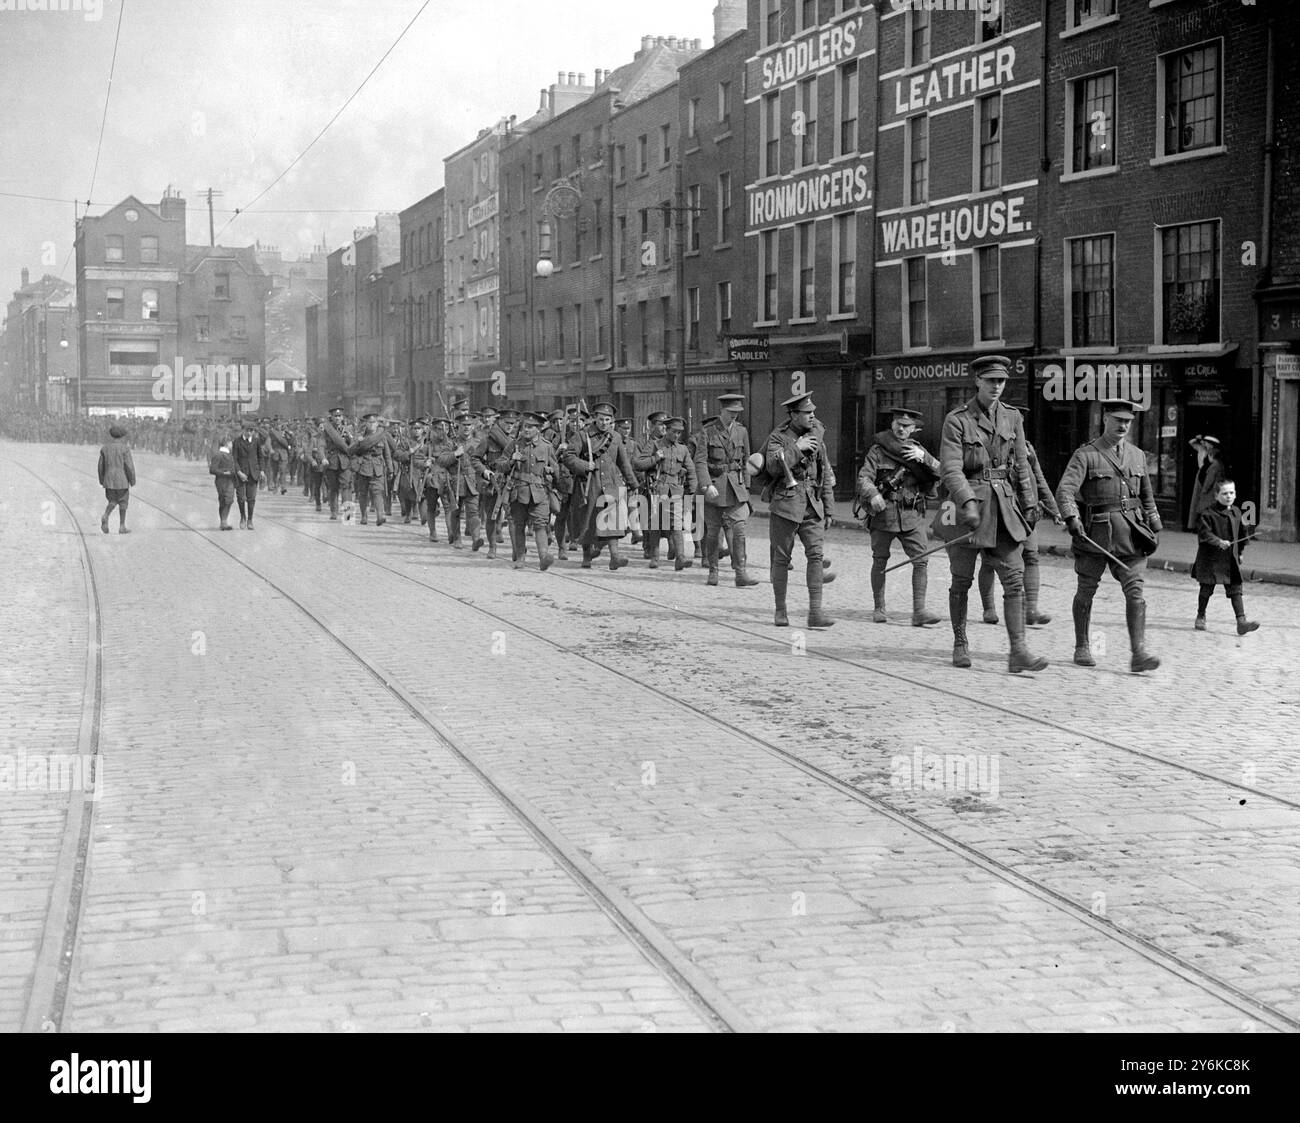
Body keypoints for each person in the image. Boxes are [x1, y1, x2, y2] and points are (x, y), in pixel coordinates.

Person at [940, 355, 1046, 673]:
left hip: (1004, 509)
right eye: (990, 381)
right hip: (968, 511)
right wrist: (967, 501)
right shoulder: (957, 419)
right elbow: (950, 468)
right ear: (977, 382)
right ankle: (960, 643)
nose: (996, 386)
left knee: (1014, 580)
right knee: (962, 581)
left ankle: (1019, 652)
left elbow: (1021, 464)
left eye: (1001, 381)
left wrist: (1028, 504)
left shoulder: (1012, 417)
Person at [1055, 398, 1163, 673]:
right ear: (1105, 419)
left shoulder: (1138, 455)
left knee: (1136, 591)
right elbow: (1065, 490)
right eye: (1118, 420)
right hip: (1095, 534)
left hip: (1132, 533)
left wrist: (1154, 524)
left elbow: (1147, 496)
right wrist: (1072, 518)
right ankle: (1082, 646)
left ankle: (1138, 653)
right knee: (1087, 590)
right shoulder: (1087, 454)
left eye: (1128, 421)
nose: (1123, 426)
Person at [856, 406, 941, 626]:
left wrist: (925, 458)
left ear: (914, 429)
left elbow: (942, 472)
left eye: (907, 426)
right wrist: (873, 494)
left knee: (921, 560)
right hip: (885, 514)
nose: (902, 429)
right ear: (892, 424)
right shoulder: (878, 450)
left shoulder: (919, 451)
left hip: (912, 515)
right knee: (880, 560)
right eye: (898, 425)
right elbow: (864, 478)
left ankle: (919, 611)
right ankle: (879, 608)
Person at [762, 392, 835, 628]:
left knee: (816, 555)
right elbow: (773, 467)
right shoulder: (778, 437)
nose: (813, 416)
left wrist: (829, 509)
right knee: (782, 559)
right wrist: (796, 447)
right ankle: (780, 611)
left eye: (813, 412)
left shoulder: (816, 437)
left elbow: (824, 474)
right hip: (786, 504)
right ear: (794, 415)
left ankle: (815, 613)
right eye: (807, 413)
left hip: (812, 505)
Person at [976, 433, 1062, 626]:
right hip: (999, 513)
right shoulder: (991, 447)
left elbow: (1039, 480)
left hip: (1025, 514)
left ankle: (1031, 609)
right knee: (989, 561)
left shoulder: (1028, 450)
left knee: (1031, 556)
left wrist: (1055, 510)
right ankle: (989, 609)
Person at [561, 402, 639, 570]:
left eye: (608, 419)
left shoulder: (616, 437)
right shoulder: (582, 436)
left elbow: (624, 463)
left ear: (612, 420)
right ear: (595, 418)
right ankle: (586, 555)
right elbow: (568, 457)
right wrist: (583, 465)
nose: (604, 423)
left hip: (611, 484)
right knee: (587, 520)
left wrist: (633, 483)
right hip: (589, 485)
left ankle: (614, 557)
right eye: (601, 419)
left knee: (614, 520)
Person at [695, 393, 758, 587]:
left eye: (737, 412)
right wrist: (706, 485)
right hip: (714, 486)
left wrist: (746, 487)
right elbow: (700, 460)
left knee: (739, 530)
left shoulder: (741, 431)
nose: (734, 416)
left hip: (736, 488)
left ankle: (741, 573)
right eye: (731, 412)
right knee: (713, 532)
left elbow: (747, 459)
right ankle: (713, 571)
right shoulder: (708, 431)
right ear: (722, 410)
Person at [1192, 478, 1259, 635]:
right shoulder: (1207, 514)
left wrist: (1240, 553)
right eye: (1224, 493)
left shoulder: (1236, 512)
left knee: (1236, 589)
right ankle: (1201, 615)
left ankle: (1241, 622)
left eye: (1231, 492)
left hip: (1230, 560)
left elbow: (1242, 534)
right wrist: (1218, 542)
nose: (1228, 496)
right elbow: (1204, 534)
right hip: (1211, 559)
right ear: (1216, 495)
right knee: (1206, 589)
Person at [497, 411, 558, 571]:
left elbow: (557, 468)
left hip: (540, 492)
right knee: (519, 525)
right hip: (519, 491)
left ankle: (543, 556)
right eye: (525, 426)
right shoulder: (514, 445)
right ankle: (520, 558)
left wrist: (551, 471)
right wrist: (511, 461)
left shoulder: (546, 446)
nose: (527, 430)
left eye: (531, 427)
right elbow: (500, 464)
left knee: (540, 524)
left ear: (538, 429)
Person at [644, 416, 697, 571]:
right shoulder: (654, 445)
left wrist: (693, 491)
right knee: (656, 523)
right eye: (674, 432)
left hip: (675, 490)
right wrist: (655, 458)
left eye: (680, 433)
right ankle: (654, 557)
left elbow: (691, 471)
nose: (677, 435)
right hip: (657, 488)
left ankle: (680, 558)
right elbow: (638, 464)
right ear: (666, 430)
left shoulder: (683, 449)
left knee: (677, 524)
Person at [438, 415, 485, 549]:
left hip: (472, 481)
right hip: (455, 481)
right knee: (455, 512)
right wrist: (455, 454)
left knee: (473, 511)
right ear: (458, 426)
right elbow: (441, 460)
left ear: (473, 427)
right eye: (464, 425)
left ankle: (476, 539)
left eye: (469, 425)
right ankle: (457, 538)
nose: (466, 428)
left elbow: (483, 460)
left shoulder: (478, 442)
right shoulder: (451, 443)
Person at [350, 414, 389, 526]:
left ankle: (380, 516)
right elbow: (351, 451)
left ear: (377, 424)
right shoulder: (361, 436)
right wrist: (358, 442)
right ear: (366, 424)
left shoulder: (382, 436)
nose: (372, 425)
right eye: (369, 422)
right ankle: (363, 516)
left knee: (377, 492)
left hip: (377, 468)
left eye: (374, 422)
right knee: (363, 493)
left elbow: (387, 454)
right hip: (363, 467)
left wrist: (390, 468)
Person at [97, 423, 136, 534]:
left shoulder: (105, 448)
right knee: (123, 501)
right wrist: (132, 479)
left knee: (112, 500)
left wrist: (102, 479)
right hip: (122, 479)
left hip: (108, 479)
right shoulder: (125, 449)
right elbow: (129, 466)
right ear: (122, 436)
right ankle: (122, 526)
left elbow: (100, 466)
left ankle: (106, 515)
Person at [232, 416, 266, 529]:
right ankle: (243, 517)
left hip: (253, 473)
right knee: (241, 498)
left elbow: (261, 457)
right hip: (241, 474)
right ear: (244, 430)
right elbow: (234, 459)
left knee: (251, 498)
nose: (250, 432)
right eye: (248, 430)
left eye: (252, 430)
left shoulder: (256, 441)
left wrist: (261, 470)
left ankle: (250, 520)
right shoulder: (237, 441)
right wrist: (239, 472)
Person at [1186, 435, 1226, 531]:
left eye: (1207, 442)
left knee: (1204, 506)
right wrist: (1199, 439)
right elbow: (1191, 442)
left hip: (1207, 480)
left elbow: (1210, 480)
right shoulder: (1203, 449)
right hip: (1202, 475)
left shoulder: (1213, 460)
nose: (1206, 444)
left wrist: (1204, 489)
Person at [209, 439, 238, 530]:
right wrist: (223, 472)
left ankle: (224, 521)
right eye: (230, 443)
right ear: (226, 444)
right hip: (221, 481)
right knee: (223, 500)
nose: (232, 444)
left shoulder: (230, 455)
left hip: (230, 480)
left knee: (229, 499)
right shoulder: (218, 455)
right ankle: (223, 521)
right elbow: (212, 469)